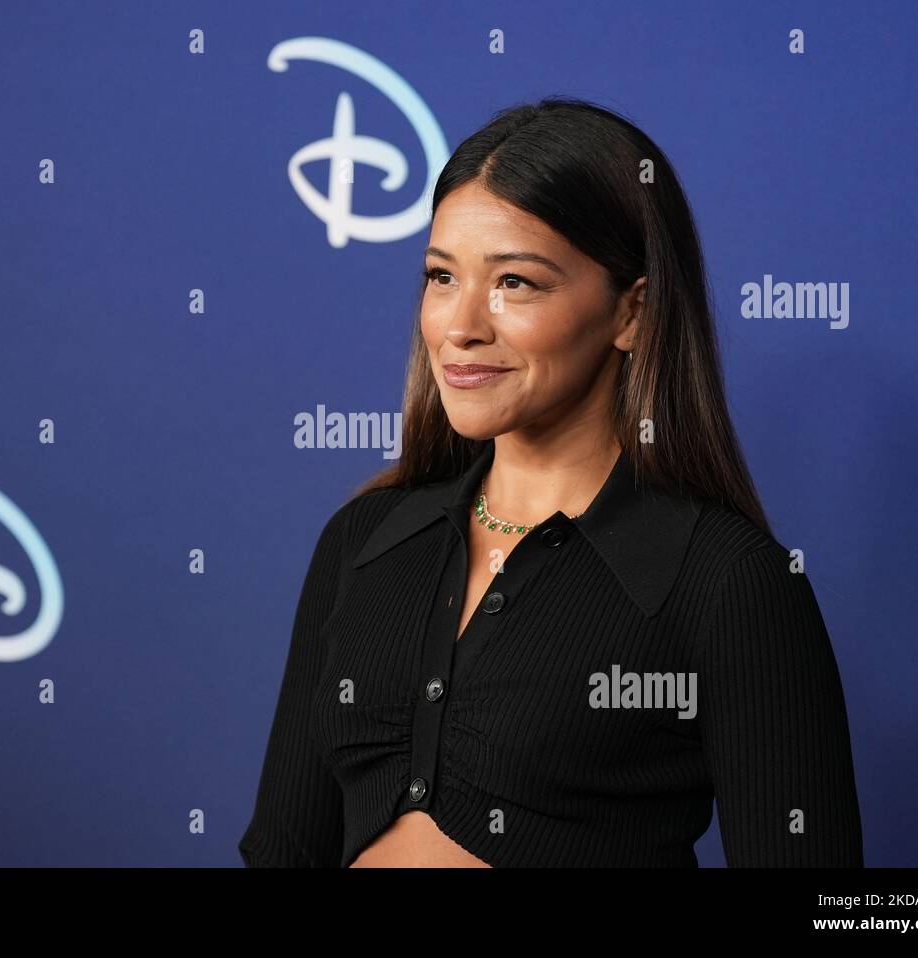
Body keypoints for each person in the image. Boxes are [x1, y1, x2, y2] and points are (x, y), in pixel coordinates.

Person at [238, 97, 864, 868]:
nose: (461, 324)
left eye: (516, 283)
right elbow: (282, 849)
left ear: (631, 312)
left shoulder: (727, 582)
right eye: (441, 276)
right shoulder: (362, 542)